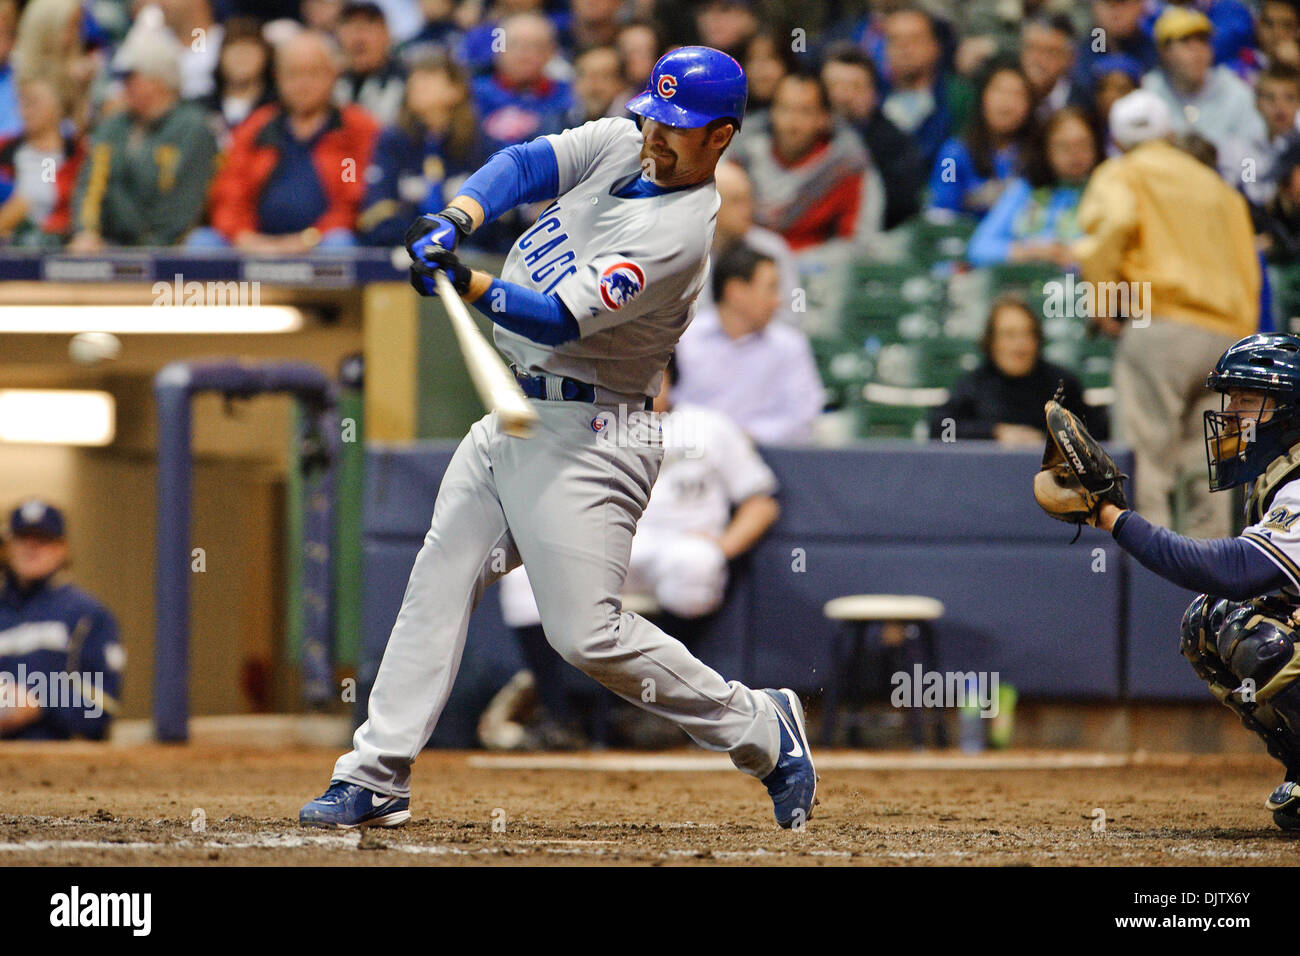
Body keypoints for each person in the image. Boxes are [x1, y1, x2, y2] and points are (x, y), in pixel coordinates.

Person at [299, 46, 816, 831]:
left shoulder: (677, 235)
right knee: (439, 580)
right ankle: (377, 772)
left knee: (586, 634)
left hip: (592, 432)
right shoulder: (626, 138)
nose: (657, 134)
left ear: (722, 137)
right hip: (514, 409)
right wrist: (457, 220)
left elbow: (556, 317)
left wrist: (464, 279)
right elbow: (525, 163)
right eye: (657, 115)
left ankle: (759, 726)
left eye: (679, 127)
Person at [491, 353, 782, 748]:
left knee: (696, 565)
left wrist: (724, 544)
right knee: (522, 577)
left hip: (677, 548)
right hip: (605, 545)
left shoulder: (709, 426)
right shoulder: (592, 424)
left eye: (651, 375)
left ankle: (658, 710)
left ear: (671, 377)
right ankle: (560, 715)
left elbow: (762, 501)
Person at [1075, 333, 1300, 830]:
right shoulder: (1279, 477)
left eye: (1248, 399)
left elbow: (1233, 571)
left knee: (1259, 637)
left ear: (1289, 410)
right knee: (1210, 621)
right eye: (1231, 397)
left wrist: (1114, 518)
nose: (1233, 412)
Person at [1073, 88, 1259, 537]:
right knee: (1210, 475)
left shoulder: (1122, 171)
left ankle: (1146, 588)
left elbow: (1110, 229)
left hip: (1160, 326)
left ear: (1116, 142)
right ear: (1171, 134)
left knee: (1145, 468)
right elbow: (1250, 267)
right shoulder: (1218, 188)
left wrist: (1101, 304)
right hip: (1227, 338)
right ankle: (1209, 596)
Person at [200, 30, 378, 252]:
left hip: (321, 242)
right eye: (293, 74)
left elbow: (354, 202)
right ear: (277, 77)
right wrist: (244, 238)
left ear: (333, 75)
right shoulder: (255, 128)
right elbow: (229, 192)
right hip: (256, 242)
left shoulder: (356, 129)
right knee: (202, 243)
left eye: (313, 73)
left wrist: (307, 239)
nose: (303, 84)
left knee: (338, 245)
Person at [68, 20, 215, 250]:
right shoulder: (114, 126)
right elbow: (91, 184)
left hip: (170, 251)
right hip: (109, 245)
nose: (124, 86)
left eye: (131, 78)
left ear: (158, 79)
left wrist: (146, 252)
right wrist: (86, 231)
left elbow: (185, 203)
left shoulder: (193, 128)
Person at [675, 242, 825, 444]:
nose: (778, 300)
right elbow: (664, 405)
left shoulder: (790, 346)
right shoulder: (684, 339)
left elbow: (804, 418)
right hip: (691, 455)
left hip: (767, 460)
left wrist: (743, 438)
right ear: (736, 291)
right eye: (770, 289)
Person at [0, 500, 124, 741]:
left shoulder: (87, 614)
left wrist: (38, 703)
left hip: (62, 759)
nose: (31, 547)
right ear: (7, 547)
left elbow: (105, 704)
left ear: (62, 548)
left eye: (43, 540)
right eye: (22, 538)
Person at [733, 70, 882, 250]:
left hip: (817, 272)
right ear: (771, 113)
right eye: (784, 109)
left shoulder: (847, 168)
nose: (792, 123)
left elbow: (858, 245)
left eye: (805, 112)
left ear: (824, 118)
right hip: (742, 265)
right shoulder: (742, 157)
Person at [929, 295, 1103, 445]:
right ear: (991, 341)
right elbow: (941, 428)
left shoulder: (1062, 385)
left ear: (1037, 341)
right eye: (1009, 335)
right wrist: (995, 433)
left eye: (1027, 334)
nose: (1019, 346)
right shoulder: (972, 385)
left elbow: (1095, 433)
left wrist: (1051, 441)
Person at [359, 53, 486, 248]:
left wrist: (451, 241)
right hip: (405, 249)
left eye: (430, 75)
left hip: (470, 251)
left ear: (457, 89)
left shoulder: (478, 143)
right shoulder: (393, 141)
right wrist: (420, 243)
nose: (418, 83)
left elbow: (494, 213)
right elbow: (377, 207)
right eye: (415, 76)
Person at [1141, 6, 1265, 179]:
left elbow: (1254, 155)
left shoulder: (1236, 92)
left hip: (1223, 190)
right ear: (1164, 51)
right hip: (1165, 190)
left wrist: (1244, 188)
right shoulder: (1148, 92)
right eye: (1186, 42)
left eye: (1203, 41)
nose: (1197, 51)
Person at [967, 106, 1100, 267]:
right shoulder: (1025, 190)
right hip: (1022, 285)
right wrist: (1033, 252)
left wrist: (1076, 255)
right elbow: (979, 248)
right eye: (1063, 146)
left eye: (1082, 144)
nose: (1075, 154)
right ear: (1046, 149)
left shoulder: (1105, 191)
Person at [821, 43, 926, 230]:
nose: (843, 96)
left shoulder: (896, 143)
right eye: (833, 86)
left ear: (874, 93)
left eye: (855, 86)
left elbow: (900, 207)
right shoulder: (809, 138)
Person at [693, 162, 798, 325]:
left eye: (749, 199)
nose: (748, 209)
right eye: (736, 201)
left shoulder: (773, 248)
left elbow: (794, 311)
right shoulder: (685, 252)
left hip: (762, 343)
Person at [928, 61, 1036, 217]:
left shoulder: (1039, 153)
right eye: (999, 91)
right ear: (982, 96)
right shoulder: (951, 156)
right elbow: (941, 211)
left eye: (1017, 94)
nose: (1006, 102)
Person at [879, 6, 974, 171]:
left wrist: (944, 187)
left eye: (914, 39)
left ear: (935, 46)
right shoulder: (874, 97)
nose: (904, 48)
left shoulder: (958, 96)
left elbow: (955, 160)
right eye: (895, 40)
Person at [0, 72, 83, 245]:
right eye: (22, 103)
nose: (26, 111)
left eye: (34, 103)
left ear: (58, 107)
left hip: (59, 245)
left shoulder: (77, 154)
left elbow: (44, 192)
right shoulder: (7, 149)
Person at [471, 12, 573, 153]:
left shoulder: (569, 98)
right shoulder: (472, 95)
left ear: (551, 52)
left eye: (535, 45)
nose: (524, 53)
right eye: (514, 44)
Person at [333, 1, 406, 127]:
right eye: (351, 28)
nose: (359, 39)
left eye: (367, 28)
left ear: (386, 33)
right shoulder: (332, 84)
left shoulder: (408, 81)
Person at [202, 16, 276, 140]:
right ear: (220, 55)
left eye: (249, 48)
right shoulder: (201, 109)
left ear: (265, 55)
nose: (241, 55)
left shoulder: (277, 109)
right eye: (233, 47)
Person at [1020, 14, 1087, 119]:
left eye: (1049, 51)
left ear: (1069, 58)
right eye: (1031, 48)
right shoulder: (1007, 93)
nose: (1037, 59)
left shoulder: (1084, 101)